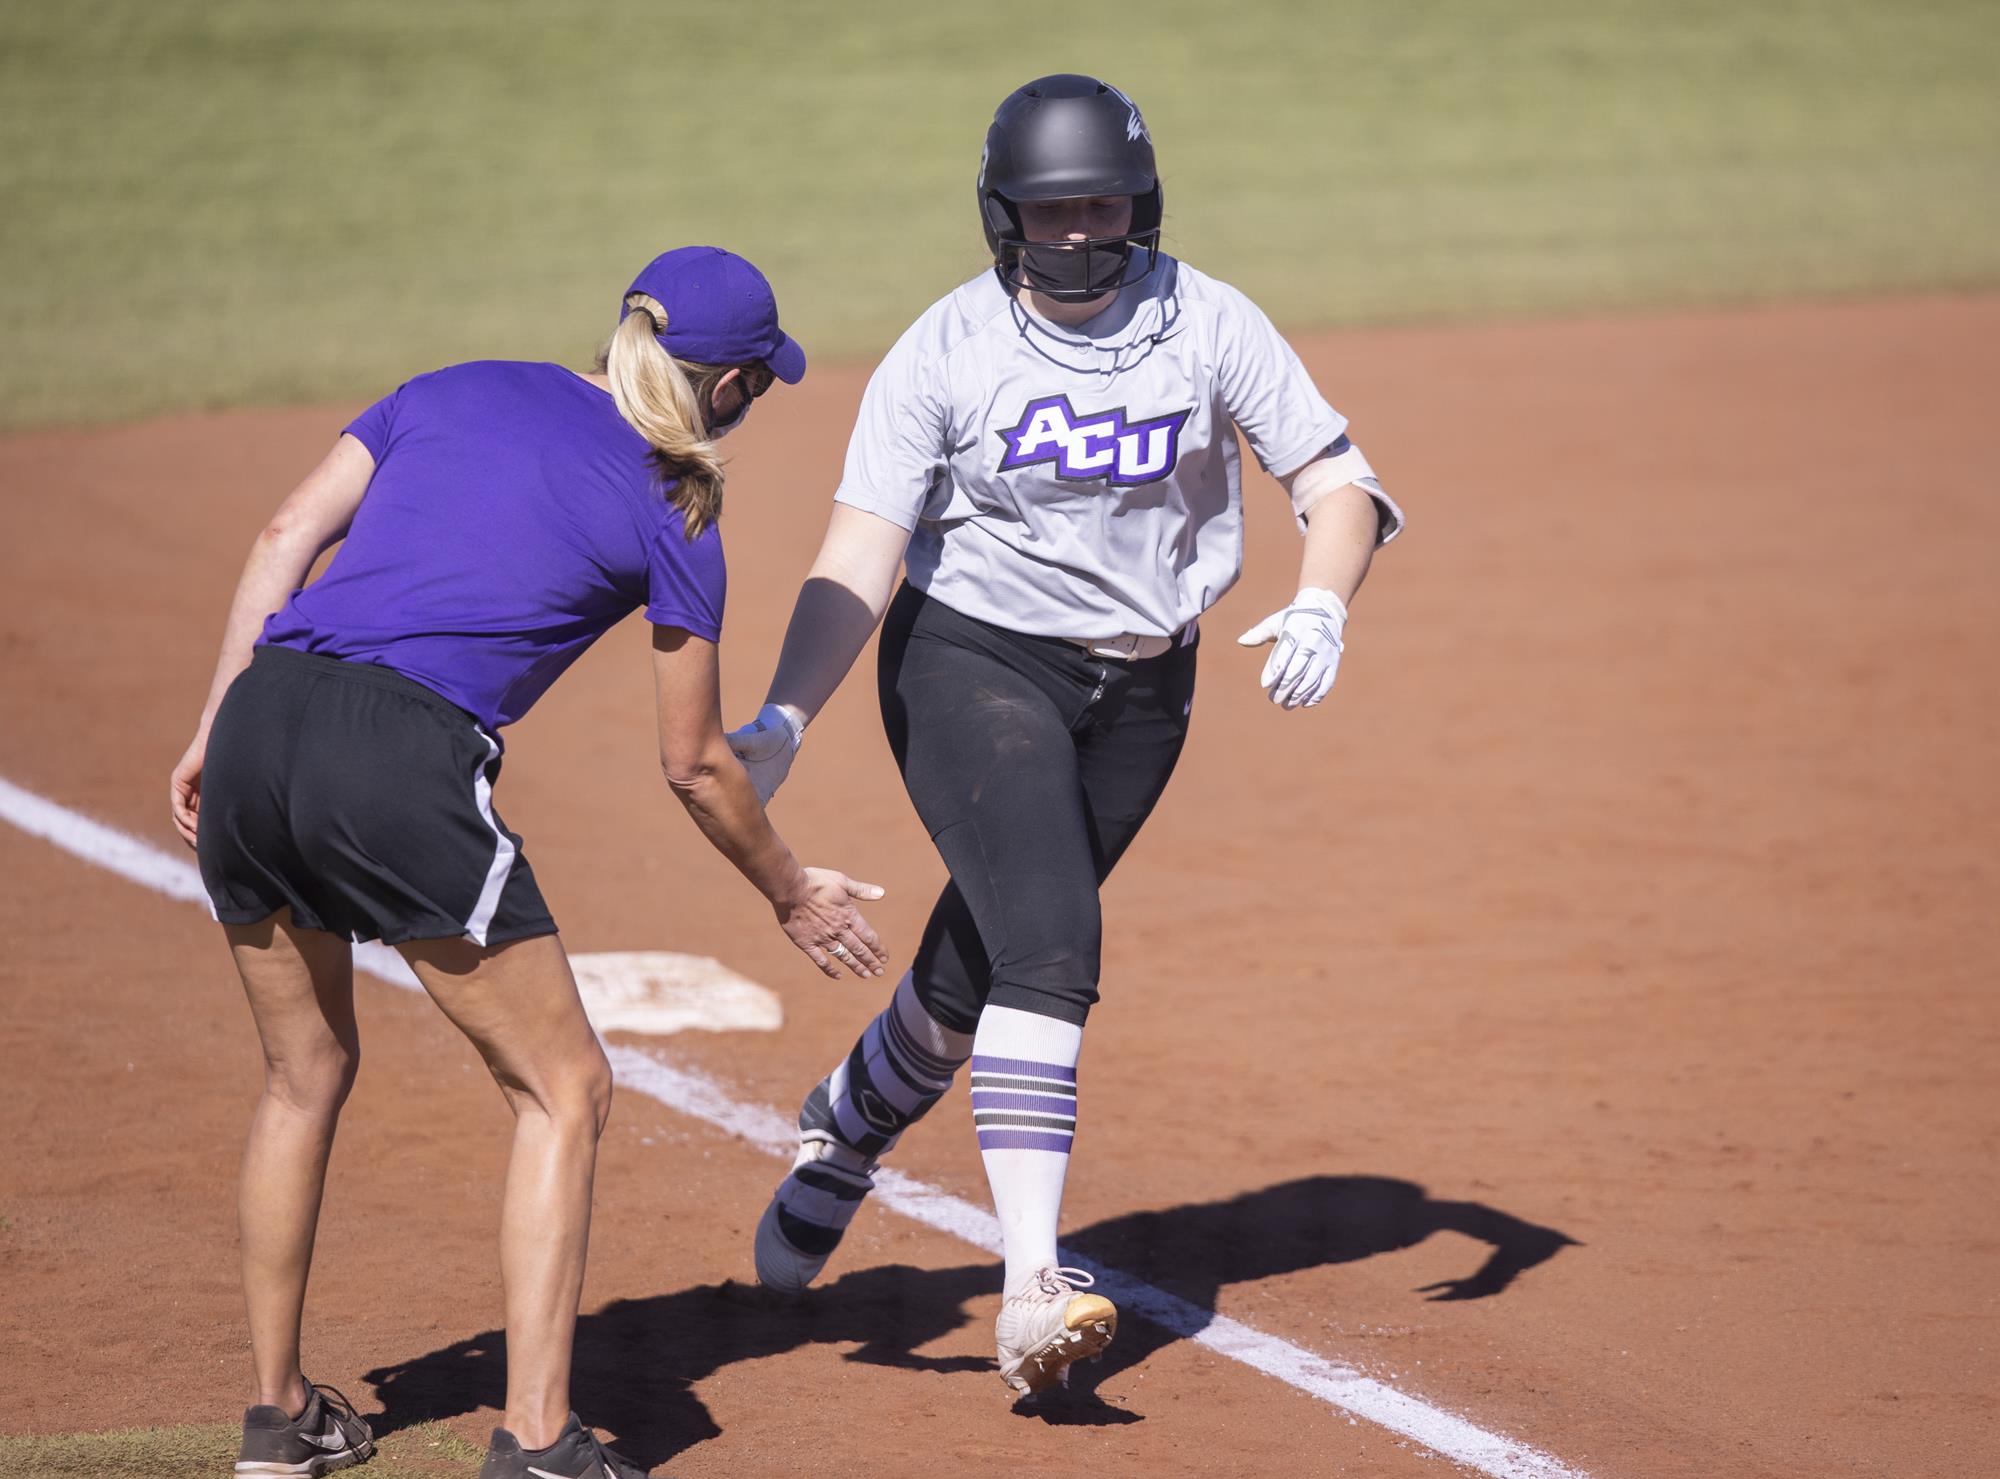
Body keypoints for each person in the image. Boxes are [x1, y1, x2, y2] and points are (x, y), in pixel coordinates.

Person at [728, 75, 1404, 1398]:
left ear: (1141, 203)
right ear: (1005, 216)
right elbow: (861, 549)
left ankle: (849, 1124)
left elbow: (1338, 482)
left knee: (987, 954)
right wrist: (788, 712)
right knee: (1051, 941)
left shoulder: (1208, 321)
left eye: (1103, 205)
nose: (1081, 234)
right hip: (974, 658)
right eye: (1052, 211)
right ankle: (1034, 1285)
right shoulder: (945, 352)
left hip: (1146, 692)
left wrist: (1325, 597)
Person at [170, 247, 888, 1479]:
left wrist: (213, 721)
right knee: (563, 1089)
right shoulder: (677, 509)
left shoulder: (452, 384)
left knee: (303, 1074)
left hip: (260, 715)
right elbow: (695, 764)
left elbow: (288, 530)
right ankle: (541, 1441)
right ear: (721, 390)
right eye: (755, 389)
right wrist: (789, 888)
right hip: (400, 759)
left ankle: (281, 1420)